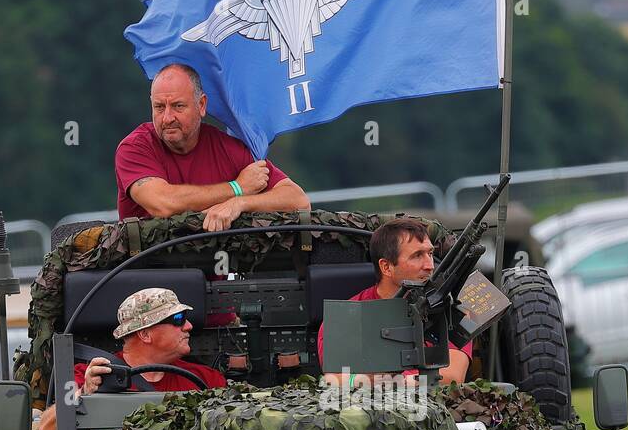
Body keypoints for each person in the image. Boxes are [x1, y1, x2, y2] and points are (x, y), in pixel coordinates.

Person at [115, 63, 310, 231]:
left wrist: (240, 203)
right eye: (159, 107)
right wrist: (237, 188)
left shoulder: (227, 148)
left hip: (218, 271)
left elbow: (298, 201)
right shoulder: (134, 148)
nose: (167, 118)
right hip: (144, 271)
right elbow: (163, 204)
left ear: (201, 105)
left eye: (178, 106)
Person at [37, 288, 226, 430]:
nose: (189, 326)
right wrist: (85, 392)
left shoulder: (207, 380)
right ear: (145, 334)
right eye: (178, 318)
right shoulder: (88, 375)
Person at [317, 218, 473, 387]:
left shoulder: (447, 309)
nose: (429, 265)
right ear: (386, 267)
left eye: (430, 254)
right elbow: (334, 380)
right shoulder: (345, 319)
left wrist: (383, 381)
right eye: (417, 256)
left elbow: (452, 378)